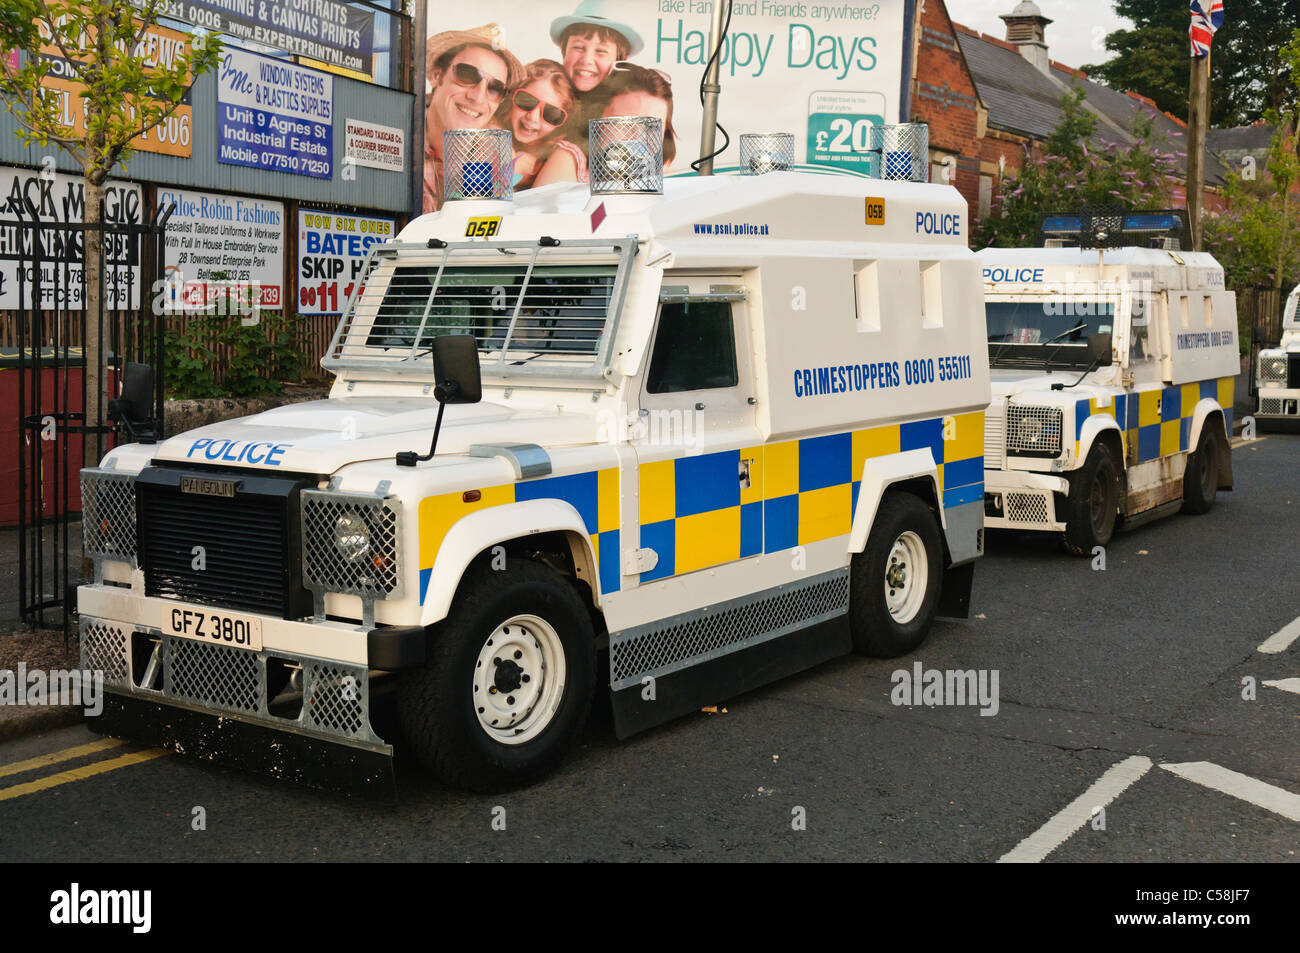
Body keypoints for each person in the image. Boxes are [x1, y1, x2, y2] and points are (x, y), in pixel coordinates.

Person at [423, 27, 524, 213]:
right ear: (437, 76)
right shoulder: (399, 134)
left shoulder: (496, 156)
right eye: (467, 75)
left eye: (494, 88)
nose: (477, 97)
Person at [533, 63, 677, 187]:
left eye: (651, 127)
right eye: (624, 123)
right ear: (598, 117)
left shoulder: (659, 169)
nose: (637, 137)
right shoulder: (571, 159)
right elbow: (538, 218)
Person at [495, 60, 576, 191]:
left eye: (551, 114)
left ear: (561, 124)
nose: (532, 117)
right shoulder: (492, 128)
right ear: (512, 98)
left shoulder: (557, 159)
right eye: (526, 101)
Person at [549, 0, 643, 96]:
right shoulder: (545, 91)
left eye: (601, 51)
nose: (586, 60)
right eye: (578, 47)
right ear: (564, 51)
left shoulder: (626, 102)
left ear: (619, 60)